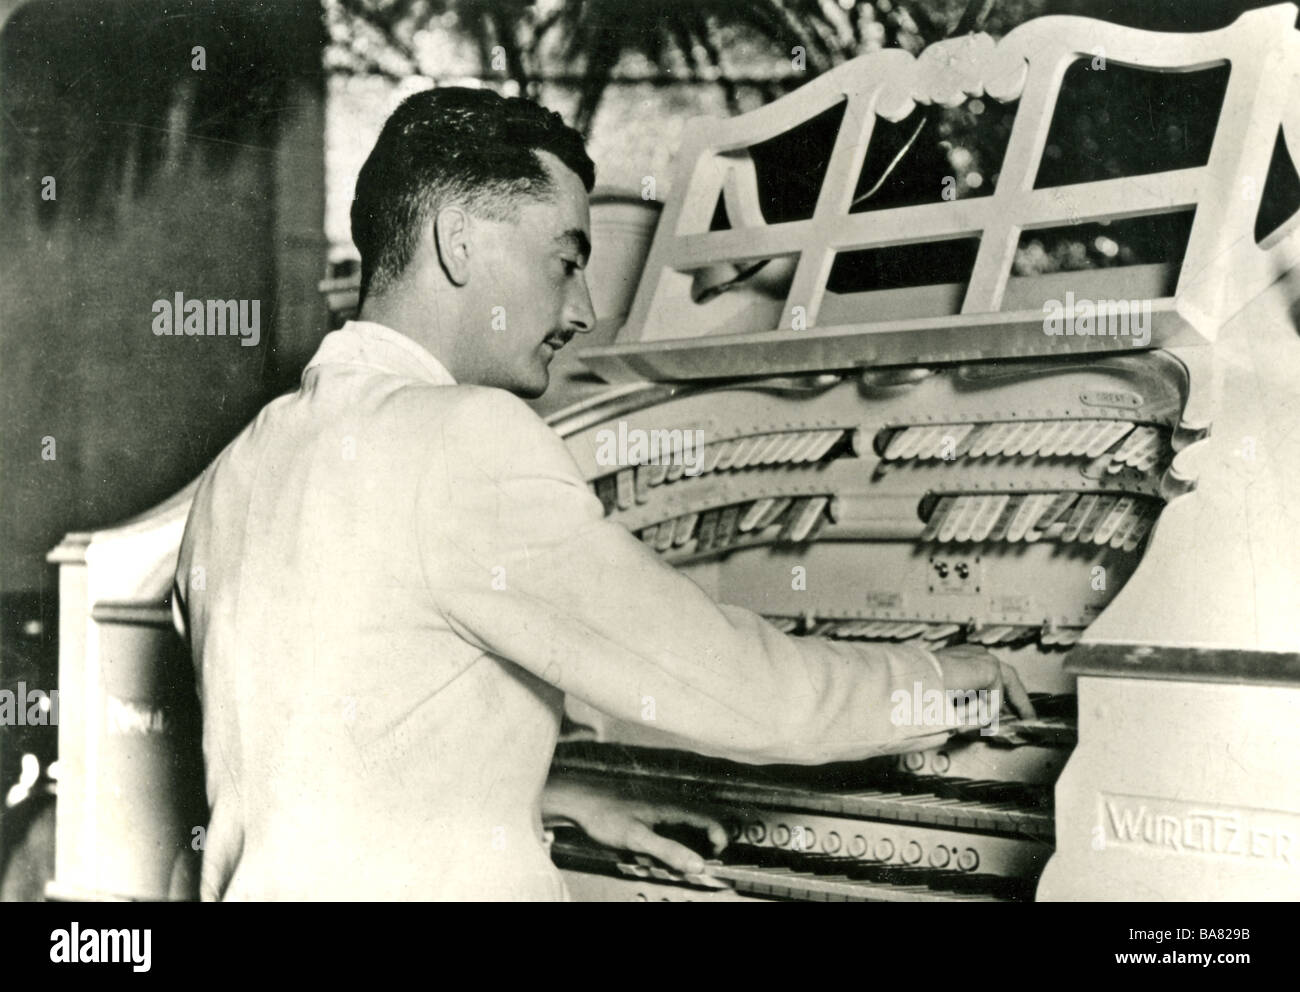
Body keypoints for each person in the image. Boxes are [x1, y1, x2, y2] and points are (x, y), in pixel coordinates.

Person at [173, 87, 1033, 901]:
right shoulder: (466, 437)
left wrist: (544, 797)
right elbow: (751, 695)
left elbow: (333, 756)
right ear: (457, 238)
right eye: (565, 260)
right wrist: (955, 679)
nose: (584, 308)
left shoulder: (246, 462)